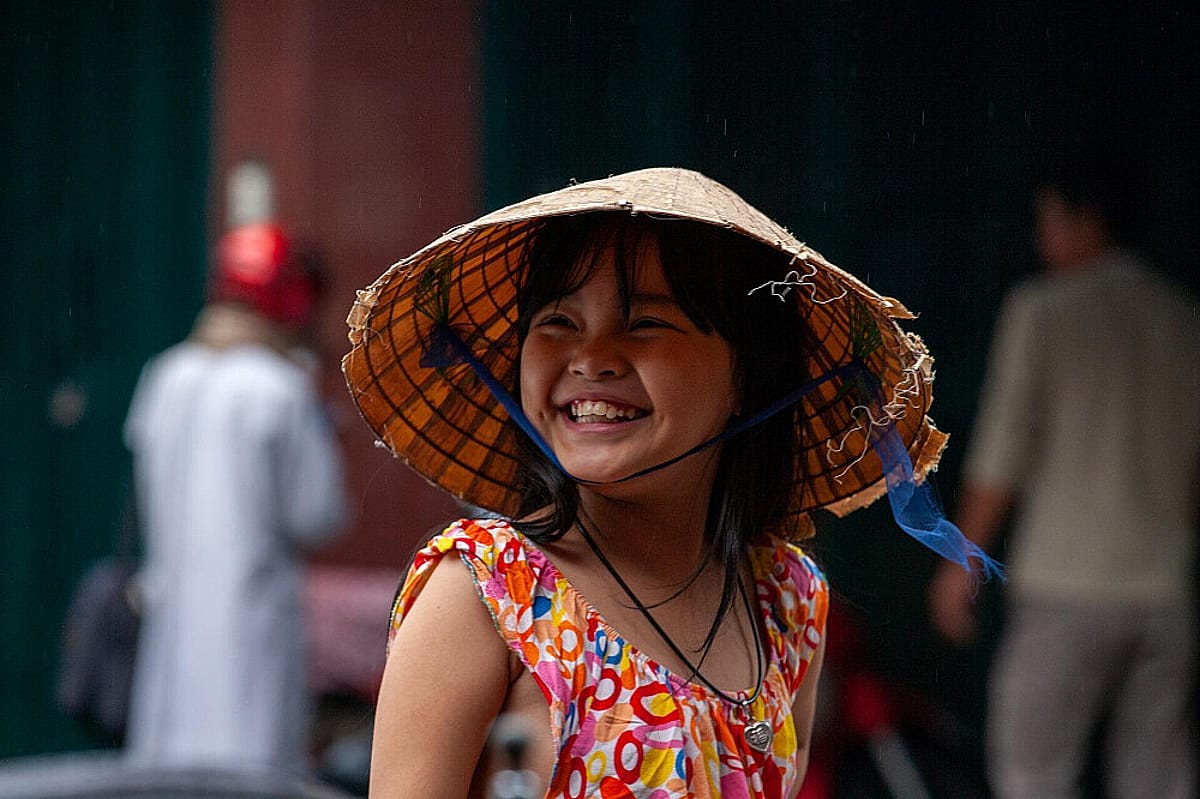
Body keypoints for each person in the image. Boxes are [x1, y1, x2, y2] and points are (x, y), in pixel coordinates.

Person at [343, 168, 999, 797]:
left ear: (747, 376)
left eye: (645, 323)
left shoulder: (789, 605)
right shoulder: (486, 596)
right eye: (557, 322)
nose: (591, 357)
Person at [928, 150, 1199, 798]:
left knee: (1034, 776)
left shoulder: (1043, 310)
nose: (1040, 239)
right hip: (1164, 591)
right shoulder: (1183, 317)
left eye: (1048, 220)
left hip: (1066, 590)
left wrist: (958, 557)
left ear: (1086, 219)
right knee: (1158, 781)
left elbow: (1003, 450)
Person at [124, 222, 346, 772]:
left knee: (168, 771)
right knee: (245, 770)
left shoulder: (167, 373)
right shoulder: (279, 385)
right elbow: (316, 513)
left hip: (170, 616)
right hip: (250, 624)